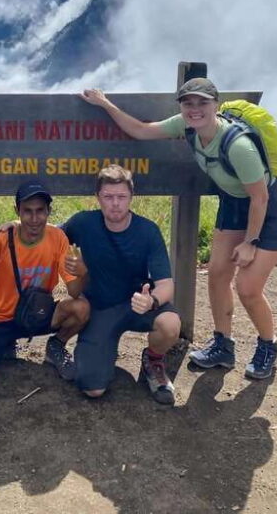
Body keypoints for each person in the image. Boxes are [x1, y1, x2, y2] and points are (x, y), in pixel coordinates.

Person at [82, 79, 277, 380]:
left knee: (247, 288)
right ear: (182, 107)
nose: (195, 110)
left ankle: (267, 345)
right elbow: (142, 130)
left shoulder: (238, 146)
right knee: (218, 274)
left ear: (215, 105)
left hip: (270, 210)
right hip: (236, 204)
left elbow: (260, 198)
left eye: (202, 103)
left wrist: (251, 242)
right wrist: (105, 103)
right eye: (188, 103)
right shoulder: (185, 125)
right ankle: (223, 344)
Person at [0, 179, 90, 391]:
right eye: (27, 211)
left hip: (39, 312)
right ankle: (4, 345)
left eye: (40, 211)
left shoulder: (57, 237)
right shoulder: (1, 238)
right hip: (3, 319)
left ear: (49, 211)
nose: (34, 219)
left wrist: (81, 273)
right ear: (17, 211)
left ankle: (56, 344)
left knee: (81, 308)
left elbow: (74, 291)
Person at [63, 165, 181, 405]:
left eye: (121, 197)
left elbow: (167, 285)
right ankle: (102, 351)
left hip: (137, 305)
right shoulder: (83, 223)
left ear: (131, 198)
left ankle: (153, 360)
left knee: (170, 324)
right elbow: (48, 236)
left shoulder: (148, 231)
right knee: (92, 389)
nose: (115, 203)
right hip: (100, 308)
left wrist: (152, 300)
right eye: (108, 197)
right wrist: (14, 225)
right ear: (98, 198)